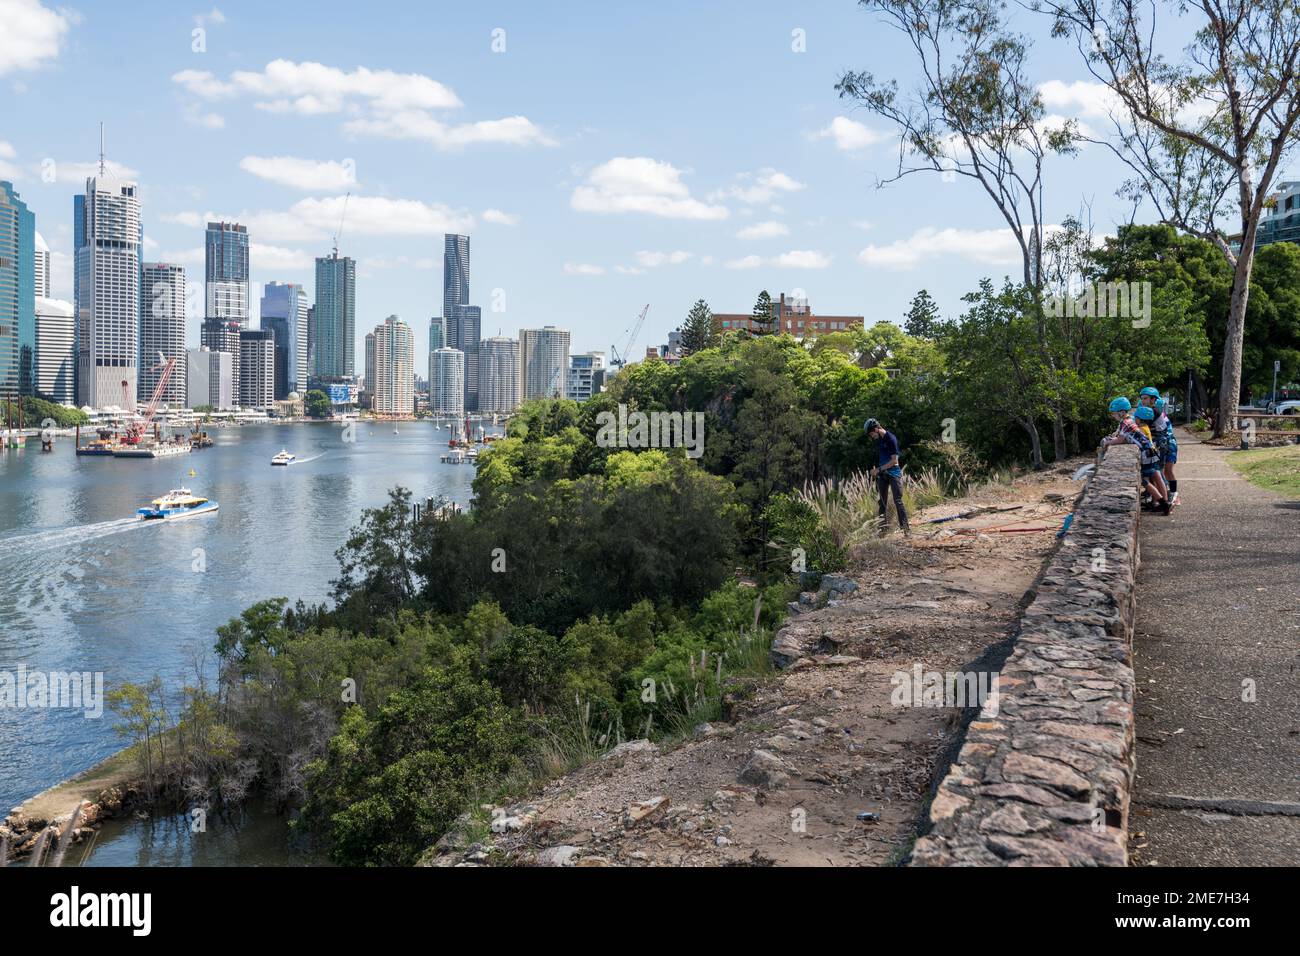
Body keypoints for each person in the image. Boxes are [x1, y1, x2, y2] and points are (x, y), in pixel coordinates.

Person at [1102, 397, 1169, 514]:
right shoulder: (1130, 421)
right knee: (1156, 475)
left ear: (1121, 412)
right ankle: (1165, 502)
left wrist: (1106, 442)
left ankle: (1163, 504)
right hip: (1151, 451)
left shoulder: (1125, 423)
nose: (1112, 416)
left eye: (1113, 414)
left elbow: (1120, 440)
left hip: (1146, 455)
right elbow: (1123, 438)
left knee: (1143, 481)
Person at [864, 417, 910, 535]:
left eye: (871, 434)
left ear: (876, 429)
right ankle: (882, 531)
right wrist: (877, 470)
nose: (871, 436)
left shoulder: (891, 439)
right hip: (882, 475)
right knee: (882, 503)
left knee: (897, 500)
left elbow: (894, 461)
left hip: (894, 473)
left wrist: (878, 469)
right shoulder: (879, 440)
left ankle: (906, 529)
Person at [1153, 397, 1179, 506]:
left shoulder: (1160, 416)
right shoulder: (1159, 415)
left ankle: (1173, 494)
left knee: (1167, 470)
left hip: (1169, 445)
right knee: (1163, 471)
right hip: (1165, 445)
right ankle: (1167, 494)